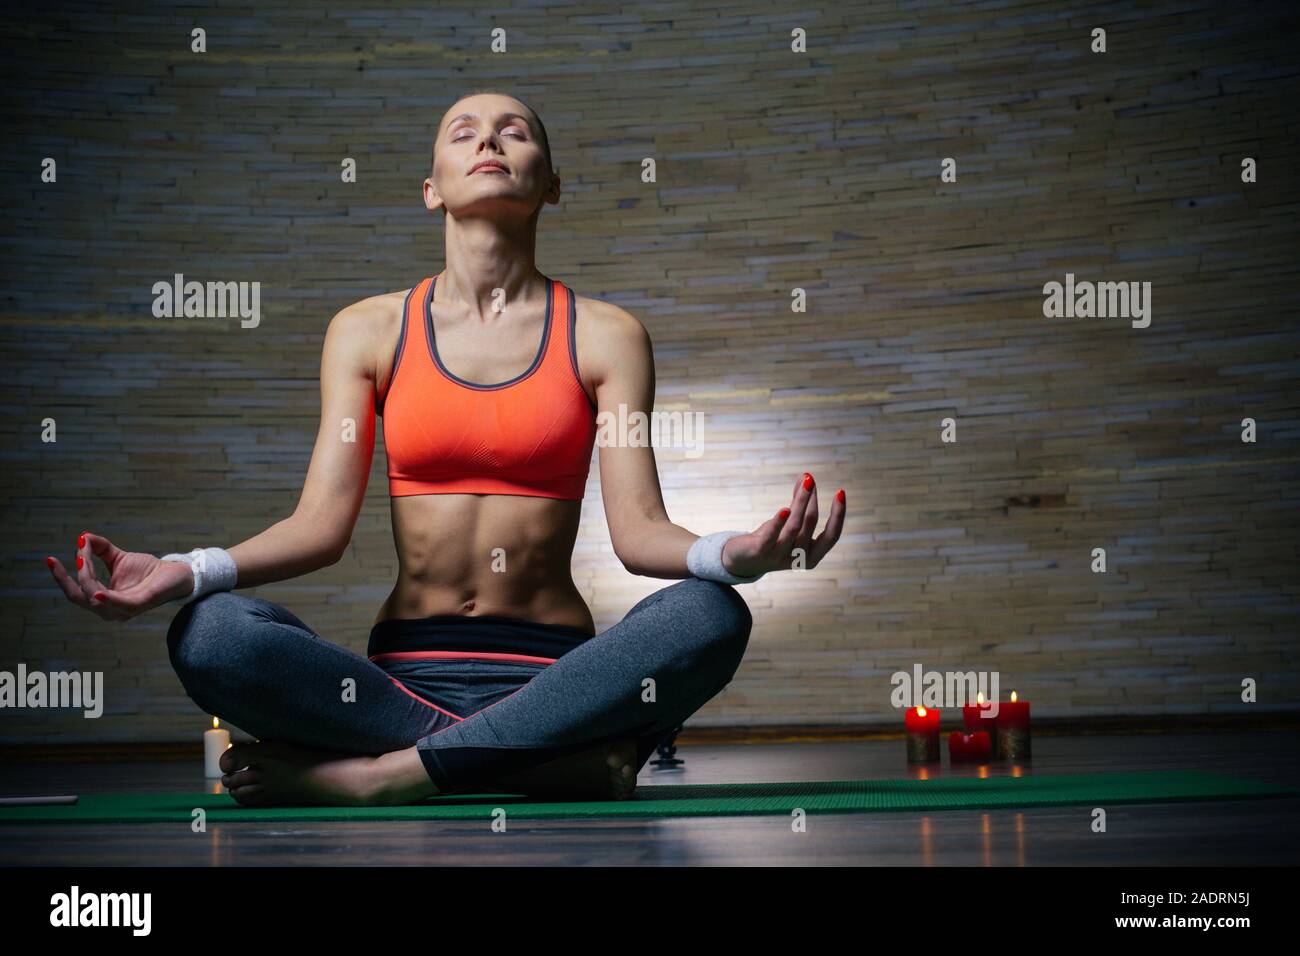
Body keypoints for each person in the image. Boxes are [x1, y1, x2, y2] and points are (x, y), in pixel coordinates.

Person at [43, 91, 846, 806]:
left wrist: (729, 555)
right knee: (209, 634)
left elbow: (638, 535)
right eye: (464, 133)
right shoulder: (368, 330)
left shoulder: (607, 335)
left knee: (710, 614)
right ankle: (534, 764)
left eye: (514, 132)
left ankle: (383, 776)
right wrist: (184, 570)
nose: (489, 142)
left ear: (552, 183)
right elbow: (319, 527)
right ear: (432, 189)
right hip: (398, 681)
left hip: (558, 678)